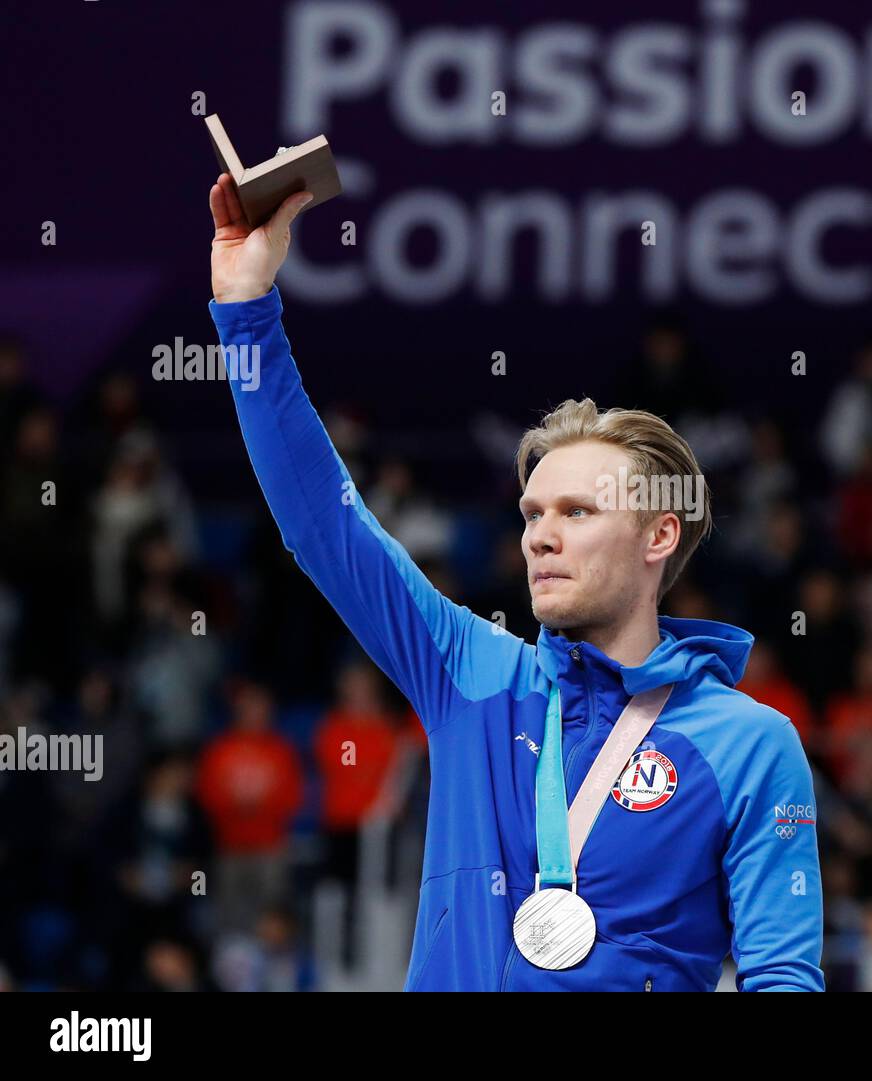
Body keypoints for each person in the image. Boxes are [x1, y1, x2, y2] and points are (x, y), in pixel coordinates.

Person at [206, 174, 824, 992]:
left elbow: (783, 977)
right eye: (533, 512)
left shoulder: (751, 743)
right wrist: (248, 311)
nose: (540, 534)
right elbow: (325, 524)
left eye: (576, 509)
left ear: (658, 533)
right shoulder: (472, 672)